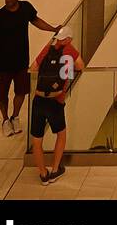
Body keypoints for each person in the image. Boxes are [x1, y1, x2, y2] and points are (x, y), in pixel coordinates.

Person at [0, 0, 58, 137]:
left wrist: (53, 29)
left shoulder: (26, 8)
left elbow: (36, 21)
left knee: (21, 92)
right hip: (3, 65)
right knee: (2, 95)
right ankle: (5, 120)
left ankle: (15, 116)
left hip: (21, 63)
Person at [29, 24, 83, 185]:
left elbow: (33, 68)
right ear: (66, 39)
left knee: (36, 140)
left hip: (38, 99)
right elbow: (81, 66)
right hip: (56, 100)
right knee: (61, 134)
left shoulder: (47, 50)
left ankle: (43, 174)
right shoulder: (69, 51)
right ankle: (54, 169)